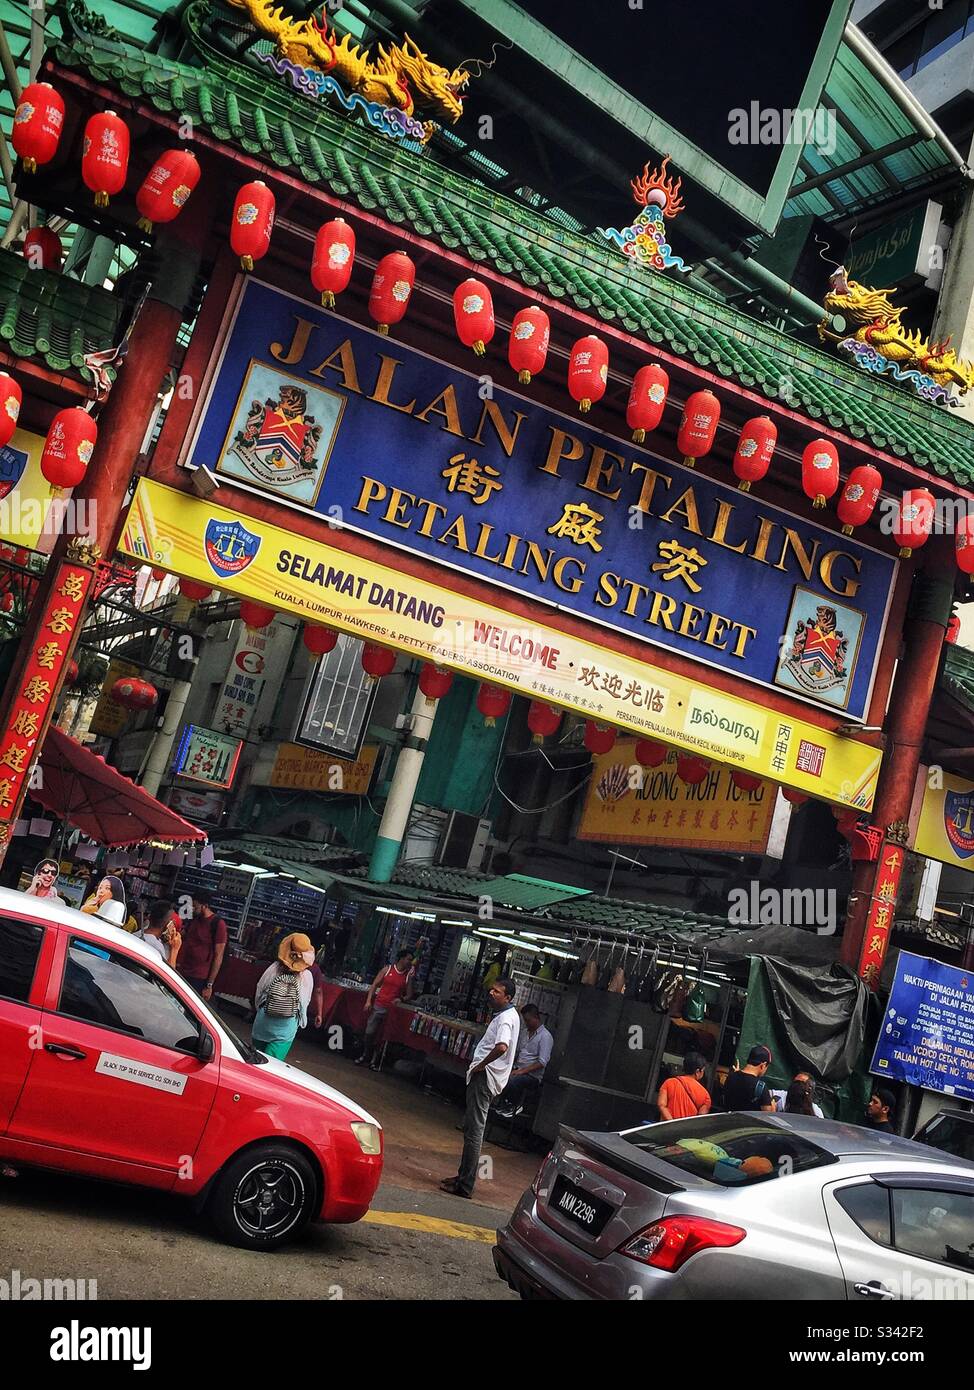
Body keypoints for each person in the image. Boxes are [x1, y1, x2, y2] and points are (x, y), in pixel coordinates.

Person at [441, 977, 520, 1200]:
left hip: (485, 1077)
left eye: (497, 991)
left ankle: (465, 1184)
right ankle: (462, 1176)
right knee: (470, 1128)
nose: (492, 993)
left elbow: (502, 1047)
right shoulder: (509, 1016)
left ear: (508, 997)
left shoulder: (505, 1019)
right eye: (492, 989)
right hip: (489, 1077)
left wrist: (481, 1065)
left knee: (474, 1130)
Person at [252, 933, 316, 1060]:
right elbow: (304, 1004)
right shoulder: (307, 977)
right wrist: (301, 1022)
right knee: (271, 1067)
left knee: (256, 1061)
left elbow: (259, 991)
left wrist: (260, 1009)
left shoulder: (273, 968)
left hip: (263, 1024)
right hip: (285, 1029)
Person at [357, 948, 416, 1070]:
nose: (410, 962)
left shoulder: (407, 977)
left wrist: (402, 999)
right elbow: (375, 984)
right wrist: (368, 1001)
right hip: (379, 1004)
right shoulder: (387, 969)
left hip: (392, 1010)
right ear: (402, 958)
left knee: (382, 1036)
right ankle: (366, 1054)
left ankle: (374, 1060)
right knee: (369, 1032)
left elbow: (409, 995)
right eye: (408, 959)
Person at [495, 1003, 553, 1118]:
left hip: (532, 1076)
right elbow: (517, 1052)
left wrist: (521, 1071)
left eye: (528, 1020)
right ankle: (501, 1102)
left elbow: (542, 1062)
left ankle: (513, 1104)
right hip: (517, 1068)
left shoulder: (545, 1037)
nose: (526, 1023)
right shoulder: (524, 1033)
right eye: (525, 1020)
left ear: (536, 1018)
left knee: (514, 1080)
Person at [177, 890, 228, 1001]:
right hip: (183, 970)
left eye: (195, 906)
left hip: (199, 977)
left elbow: (218, 956)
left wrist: (209, 985)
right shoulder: (194, 920)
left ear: (204, 906)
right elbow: (182, 935)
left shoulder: (218, 924)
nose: (192, 909)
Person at [657, 1051, 711, 1121]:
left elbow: (661, 1105)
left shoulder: (669, 1083)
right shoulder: (705, 1096)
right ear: (697, 1072)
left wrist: (671, 1122)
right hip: (687, 1131)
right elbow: (699, 1120)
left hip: (666, 1130)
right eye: (703, 1070)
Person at [722, 1045, 776, 1112]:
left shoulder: (730, 1077)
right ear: (763, 1065)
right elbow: (767, 1115)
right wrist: (773, 1108)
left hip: (727, 1120)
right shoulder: (761, 1087)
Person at [137, 899, 181, 967]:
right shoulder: (156, 947)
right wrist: (175, 950)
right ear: (168, 924)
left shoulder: (137, 934)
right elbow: (168, 974)